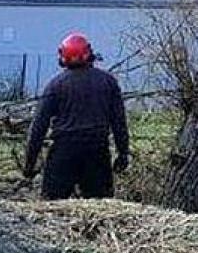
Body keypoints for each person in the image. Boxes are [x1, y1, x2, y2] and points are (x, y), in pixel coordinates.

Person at [24, 33, 131, 200]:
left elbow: (38, 127)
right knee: (100, 207)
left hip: (63, 153)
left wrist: (29, 163)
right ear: (89, 53)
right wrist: (123, 152)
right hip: (97, 152)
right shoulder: (108, 82)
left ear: (63, 57)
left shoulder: (55, 85)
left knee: (52, 207)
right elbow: (119, 122)